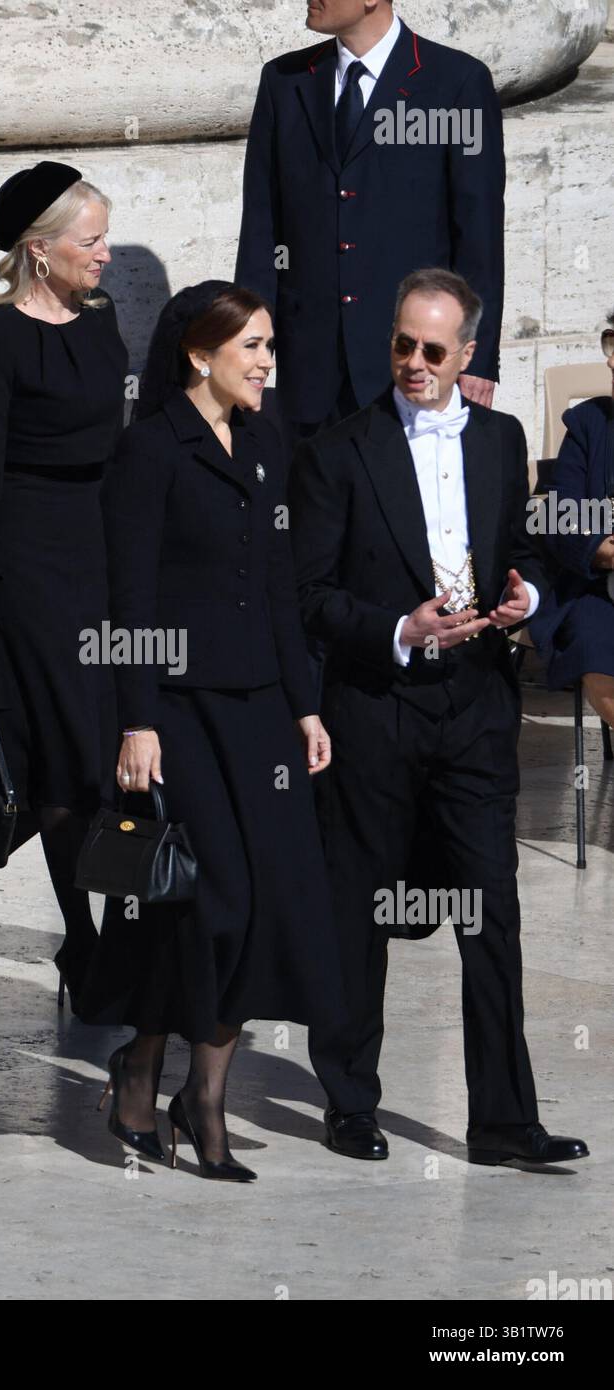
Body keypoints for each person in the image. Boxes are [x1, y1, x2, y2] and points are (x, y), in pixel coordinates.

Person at [291, 266, 588, 1166]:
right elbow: (307, 595)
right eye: (400, 344)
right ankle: (349, 1101)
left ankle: (502, 1119)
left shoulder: (501, 441)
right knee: (362, 908)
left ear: (466, 354)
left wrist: (524, 594)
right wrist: (396, 628)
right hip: (377, 706)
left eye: (432, 349)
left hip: (475, 706)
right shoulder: (337, 450)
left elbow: (524, 549)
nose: (413, 363)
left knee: (492, 914)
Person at [79, 282, 348, 1182]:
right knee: (211, 899)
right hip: (181, 712)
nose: (269, 361)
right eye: (253, 348)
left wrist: (306, 705)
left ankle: (182, 1088)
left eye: (271, 344)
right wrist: (138, 721)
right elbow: (130, 599)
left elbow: (279, 586)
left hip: (264, 707)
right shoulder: (150, 449)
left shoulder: (270, 442)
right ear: (201, 354)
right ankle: (162, 1079)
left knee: (262, 901)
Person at [0, 162, 129, 1006]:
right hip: (29, 566)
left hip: (103, 551)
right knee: (65, 759)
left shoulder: (102, 324)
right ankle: (83, 940)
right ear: (39, 249)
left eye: (104, 237)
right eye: (88, 240)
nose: (103, 254)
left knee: (108, 752)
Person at [234, 0, 505, 440]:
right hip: (310, 370)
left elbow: (479, 237)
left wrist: (477, 357)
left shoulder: (456, 81)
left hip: (414, 363)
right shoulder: (283, 82)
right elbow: (262, 229)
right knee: (312, 506)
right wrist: (247, 347)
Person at [530, 314, 614, 724]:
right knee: (598, 650)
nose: (612, 362)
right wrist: (597, 549)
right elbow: (557, 512)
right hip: (598, 588)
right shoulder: (588, 424)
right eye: (611, 347)